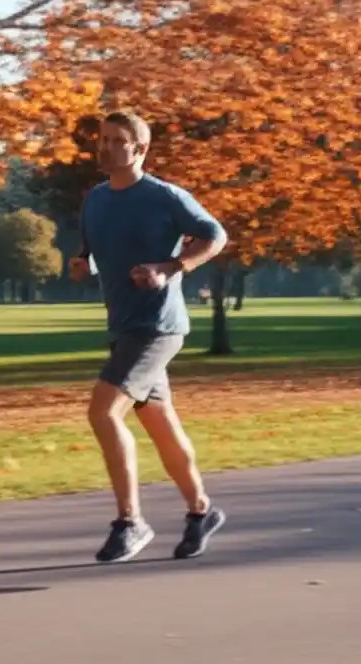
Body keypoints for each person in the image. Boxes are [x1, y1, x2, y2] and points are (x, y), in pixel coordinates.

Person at [69, 110, 229, 563]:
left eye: (117, 140)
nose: (106, 147)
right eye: (103, 139)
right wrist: (82, 266)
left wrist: (171, 267)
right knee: (159, 422)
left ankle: (130, 521)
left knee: (103, 412)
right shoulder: (95, 200)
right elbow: (92, 253)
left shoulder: (164, 196)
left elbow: (215, 236)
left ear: (139, 149)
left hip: (157, 325)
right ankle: (201, 511)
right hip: (124, 326)